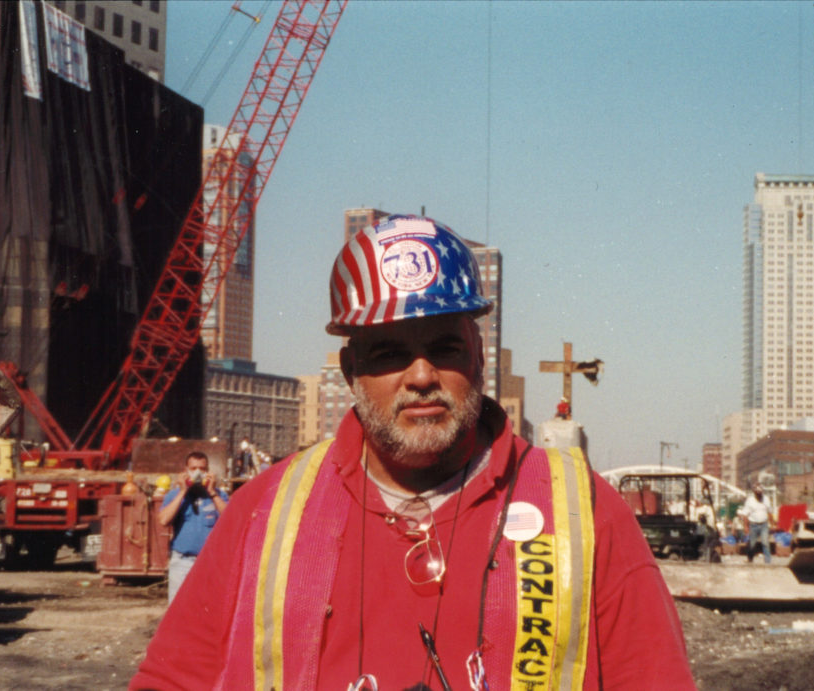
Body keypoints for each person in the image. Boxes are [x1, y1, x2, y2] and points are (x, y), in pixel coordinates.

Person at [132, 215, 695, 689]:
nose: (421, 375)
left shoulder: (583, 514)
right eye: (389, 353)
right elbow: (174, 677)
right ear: (352, 372)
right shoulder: (267, 510)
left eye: (444, 346)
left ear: (479, 358)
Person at [158, 450, 228, 603]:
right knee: (178, 610)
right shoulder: (174, 494)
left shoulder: (218, 495)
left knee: (208, 608)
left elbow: (230, 518)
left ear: (208, 472)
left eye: (202, 469)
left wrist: (212, 493)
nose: (198, 473)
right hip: (183, 561)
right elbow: (163, 520)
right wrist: (183, 491)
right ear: (185, 471)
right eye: (193, 468)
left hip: (210, 562)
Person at [739, 485, 773, 564]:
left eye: (760, 493)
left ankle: (768, 561)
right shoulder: (750, 501)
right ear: (754, 493)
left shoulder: (766, 499)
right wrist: (746, 526)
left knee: (765, 543)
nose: (759, 495)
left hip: (764, 524)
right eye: (757, 493)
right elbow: (745, 515)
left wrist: (772, 524)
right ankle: (750, 558)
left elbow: (769, 512)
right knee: (752, 544)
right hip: (753, 525)